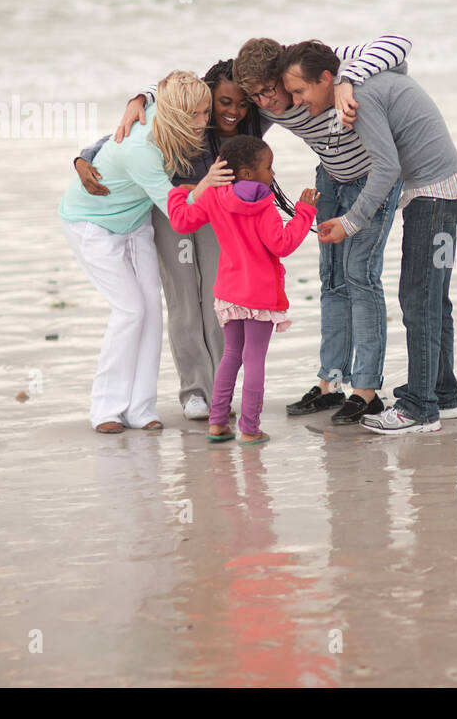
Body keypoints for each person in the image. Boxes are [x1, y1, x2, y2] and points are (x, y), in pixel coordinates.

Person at [115, 35, 410, 426]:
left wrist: (344, 81)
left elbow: (393, 46)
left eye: (256, 96)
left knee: (351, 279)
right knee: (192, 299)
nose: (250, 106)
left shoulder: (284, 91)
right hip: (200, 201)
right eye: (236, 100)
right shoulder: (221, 106)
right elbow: (176, 91)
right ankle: (214, 391)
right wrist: (141, 97)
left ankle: (353, 390)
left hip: (332, 185)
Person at [74, 60, 298, 422]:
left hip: (218, 215)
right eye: (224, 102)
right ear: (209, 95)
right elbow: (125, 134)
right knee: (182, 301)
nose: (232, 112)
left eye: (242, 104)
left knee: (217, 297)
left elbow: (278, 89)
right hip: (169, 210)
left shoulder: (254, 118)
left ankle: (219, 391)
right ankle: (194, 391)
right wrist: (86, 154)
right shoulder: (189, 111)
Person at [280, 40, 457, 435]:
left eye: (300, 91)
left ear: (326, 78)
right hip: (448, 191)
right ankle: (444, 396)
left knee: (418, 302)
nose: (297, 101)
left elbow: (386, 170)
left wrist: (350, 222)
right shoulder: (359, 81)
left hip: (435, 197)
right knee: (433, 301)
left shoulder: (361, 98)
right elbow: (398, 62)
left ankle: (419, 411)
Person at [58, 71, 232, 433]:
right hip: (94, 223)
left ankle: (140, 408)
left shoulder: (163, 116)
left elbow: (159, 90)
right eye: (197, 115)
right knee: (130, 309)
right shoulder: (143, 150)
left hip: (135, 221)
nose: (206, 121)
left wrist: (140, 96)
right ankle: (105, 408)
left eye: (205, 112)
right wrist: (207, 184)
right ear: (177, 115)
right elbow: (181, 218)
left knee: (151, 309)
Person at [167, 135, 319, 446]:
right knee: (254, 360)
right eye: (268, 167)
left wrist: (179, 193)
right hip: (260, 296)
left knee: (231, 356)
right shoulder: (262, 206)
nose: (272, 174)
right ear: (248, 174)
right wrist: (304, 212)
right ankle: (250, 427)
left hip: (227, 293)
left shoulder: (213, 197)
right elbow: (283, 244)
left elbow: (181, 222)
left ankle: (218, 423)